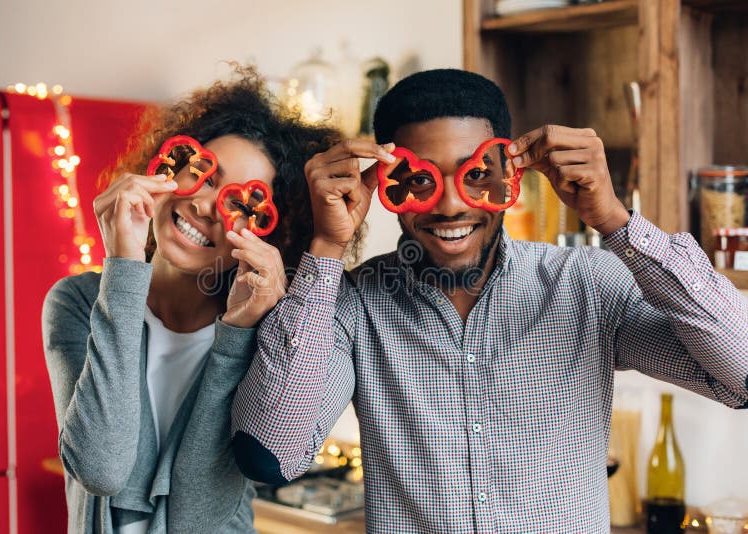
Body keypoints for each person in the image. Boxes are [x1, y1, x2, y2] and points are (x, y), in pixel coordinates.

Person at [231, 69, 748, 532]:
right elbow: (271, 455)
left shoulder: (587, 284)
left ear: (511, 174)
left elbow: (740, 374)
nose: (452, 204)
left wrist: (614, 219)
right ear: (386, 184)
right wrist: (326, 246)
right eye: (421, 181)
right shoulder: (354, 306)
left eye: (476, 174)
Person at [42, 70, 341, 534]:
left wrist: (236, 335)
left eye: (240, 205)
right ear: (165, 168)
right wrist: (122, 265)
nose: (206, 206)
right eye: (202, 176)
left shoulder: (266, 332)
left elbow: (196, 514)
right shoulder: (77, 302)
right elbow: (102, 467)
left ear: (271, 236)